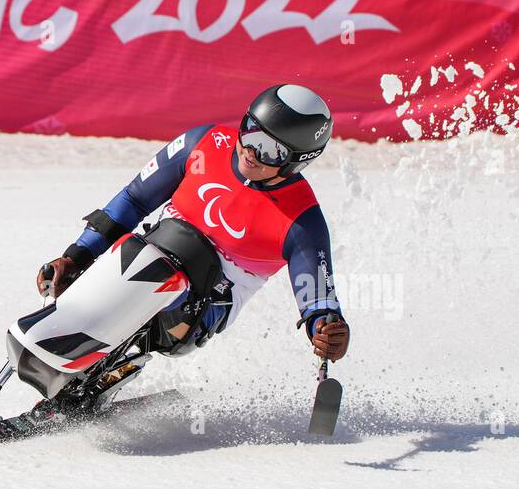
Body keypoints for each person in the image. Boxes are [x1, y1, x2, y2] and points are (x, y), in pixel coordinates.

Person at [36, 83, 350, 363]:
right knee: (127, 256)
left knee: (159, 273)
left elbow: (319, 300)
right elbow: (134, 200)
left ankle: (110, 361)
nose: (251, 151)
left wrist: (327, 329)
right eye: (250, 130)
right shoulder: (202, 142)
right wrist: (77, 255)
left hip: (205, 305)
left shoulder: (302, 221)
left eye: (271, 150)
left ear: (296, 162)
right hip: (147, 255)